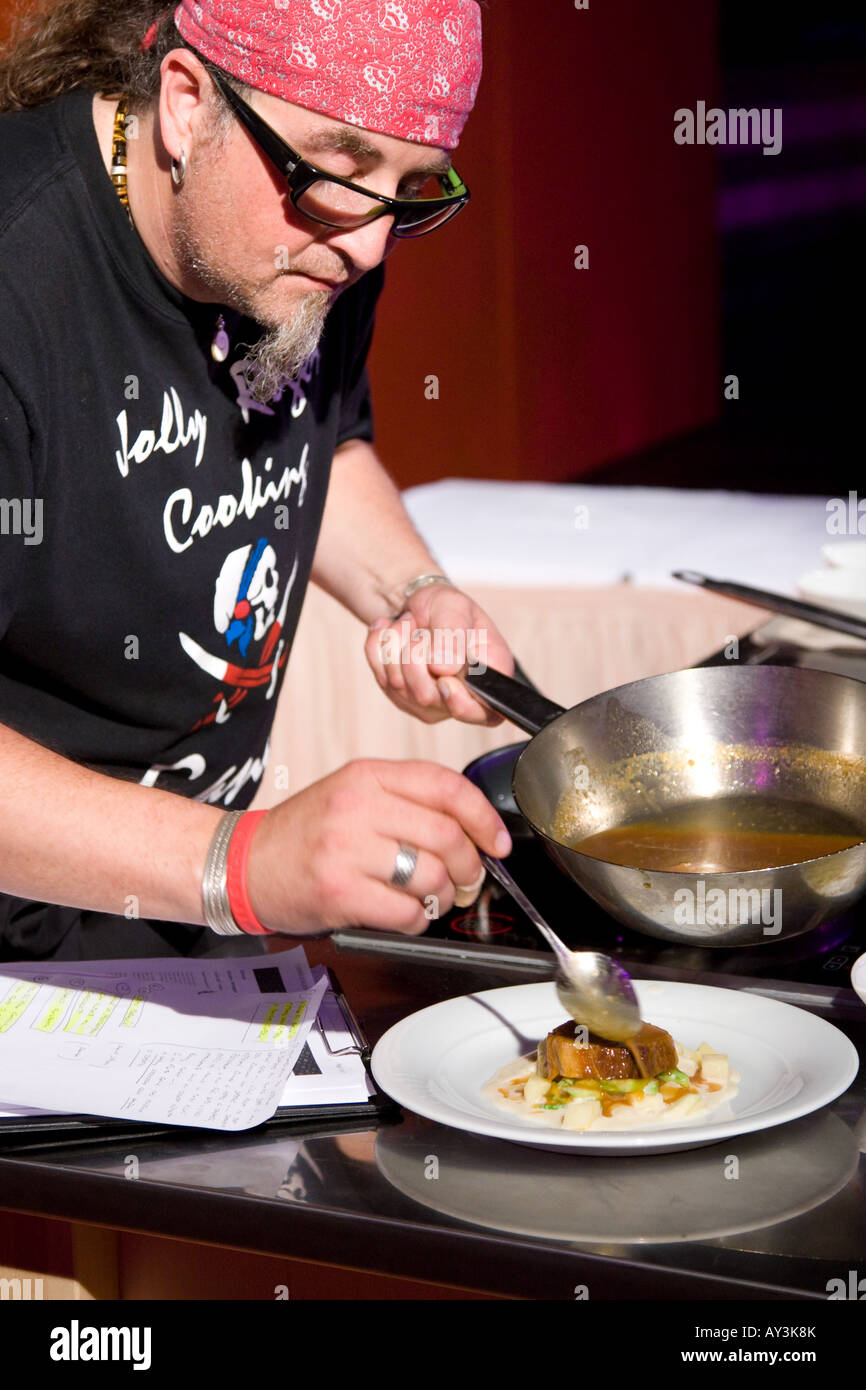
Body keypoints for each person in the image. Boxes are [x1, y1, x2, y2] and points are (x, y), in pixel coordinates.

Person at [0, 0, 515, 961]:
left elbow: (318, 443)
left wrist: (415, 591)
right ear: (189, 102)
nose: (367, 246)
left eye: (411, 188)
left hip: (188, 911)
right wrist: (247, 862)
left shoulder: (321, 238)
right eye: (337, 171)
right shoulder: (19, 276)